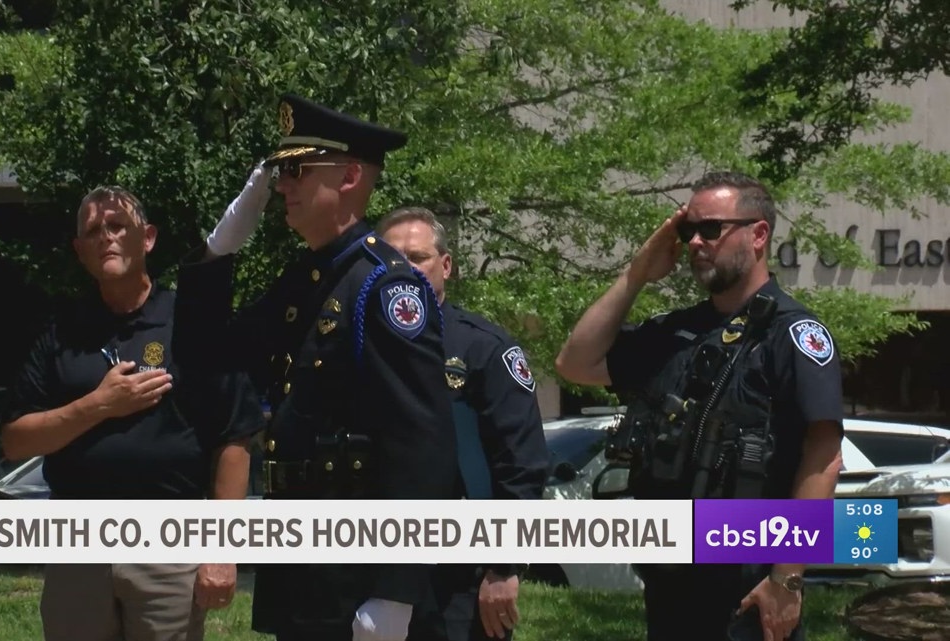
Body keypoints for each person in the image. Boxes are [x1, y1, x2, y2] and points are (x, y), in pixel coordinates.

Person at [178, 93, 462, 641]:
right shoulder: (308, 280)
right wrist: (221, 248)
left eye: (298, 170)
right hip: (304, 559)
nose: (283, 185)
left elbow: (422, 441)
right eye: (281, 171)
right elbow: (205, 357)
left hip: (357, 567)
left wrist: (397, 590)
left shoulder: (383, 285)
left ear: (350, 176)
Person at [554, 171, 844, 641]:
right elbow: (575, 363)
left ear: (758, 235)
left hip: (749, 591)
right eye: (688, 230)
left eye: (711, 229)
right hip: (671, 587)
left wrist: (787, 579)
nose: (694, 243)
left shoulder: (792, 335)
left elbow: (824, 457)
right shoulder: (674, 332)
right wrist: (637, 273)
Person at [0, 185, 265, 641]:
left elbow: (234, 438)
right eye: (93, 231)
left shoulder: (192, 323)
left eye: (118, 225)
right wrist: (98, 405)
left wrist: (222, 551)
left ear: (148, 238)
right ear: (80, 250)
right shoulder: (61, 331)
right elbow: (15, 441)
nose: (106, 236)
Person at [376, 206, 549, 641]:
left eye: (418, 257)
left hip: (458, 574)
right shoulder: (357, 344)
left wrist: (504, 566)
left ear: (446, 265)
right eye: (392, 259)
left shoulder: (482, 348)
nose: (404, 269)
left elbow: (520, 463)